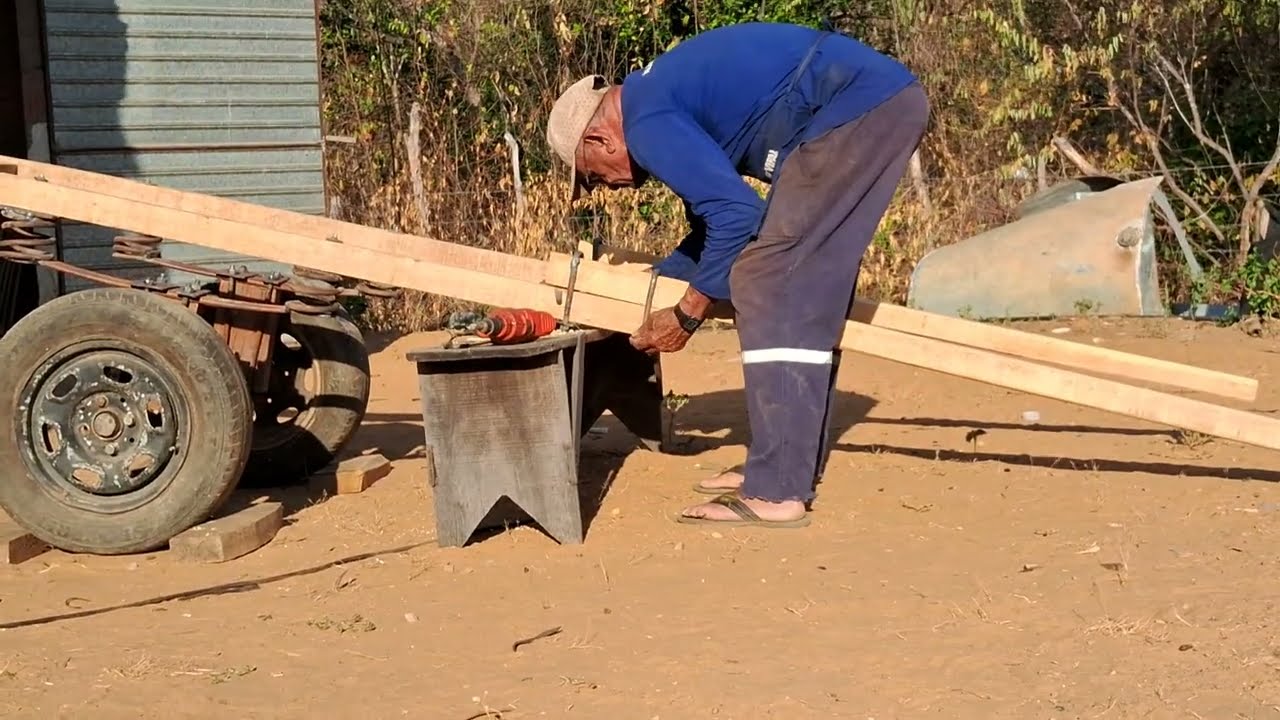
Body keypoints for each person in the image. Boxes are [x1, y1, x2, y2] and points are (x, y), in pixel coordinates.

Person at [544, 21, 929, 528]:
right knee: (799, 285)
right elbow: (711, 228)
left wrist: (686, 315)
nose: (604, 188)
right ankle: (778, 466)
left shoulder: (648, 120)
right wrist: (655, 280)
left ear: (598, 137)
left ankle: (777, 490)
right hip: (863, 104)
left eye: (591, 175)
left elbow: (740, 218)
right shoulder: (657, 100)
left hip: (859, 107)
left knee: (770, 281)